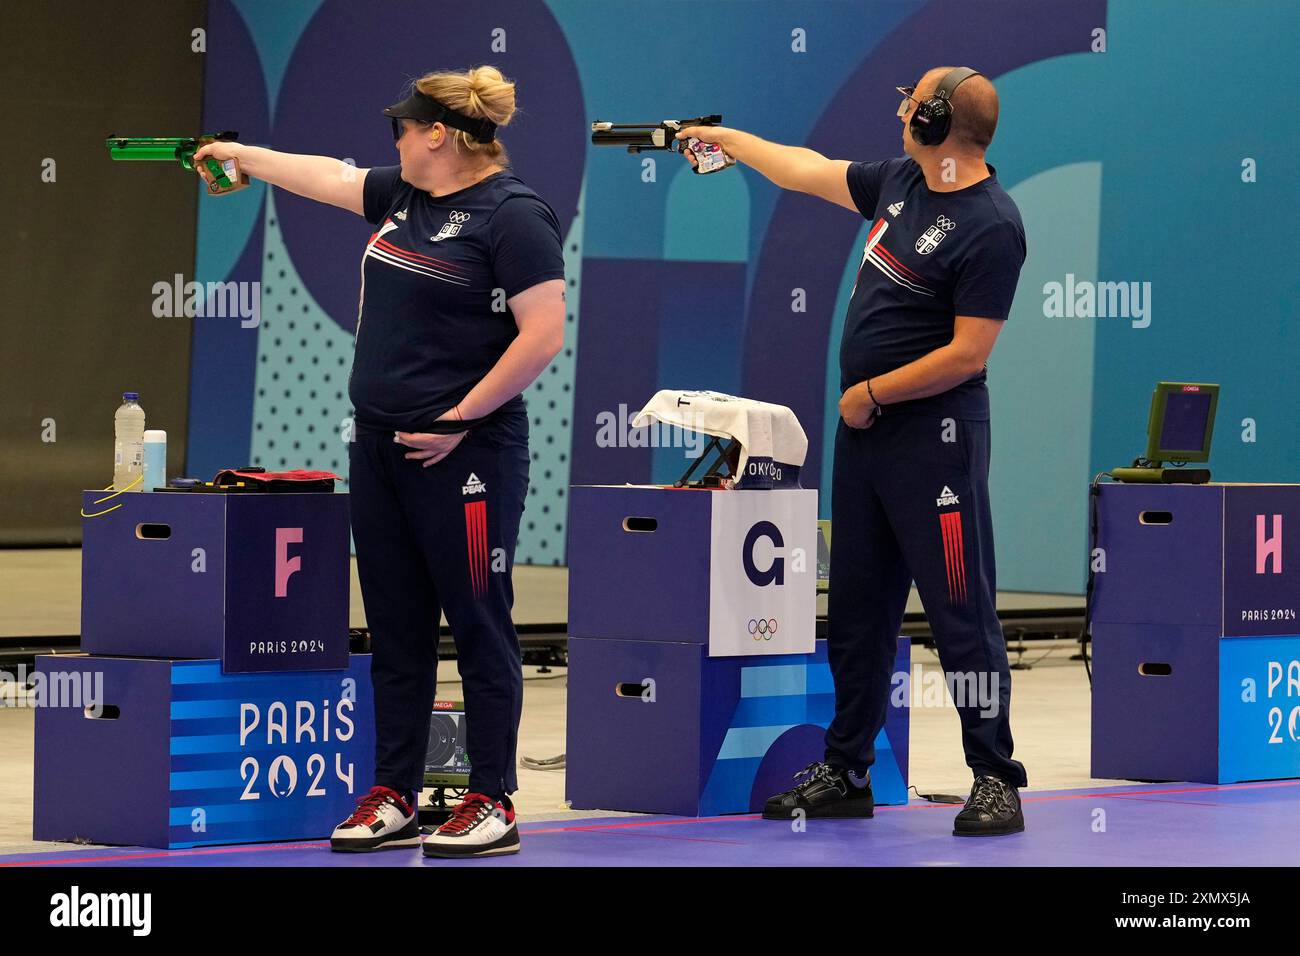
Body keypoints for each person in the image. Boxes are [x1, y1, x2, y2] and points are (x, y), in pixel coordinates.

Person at [195, 65, 566, 858]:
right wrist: (241, 153)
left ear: (438, 134)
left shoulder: (512, 215)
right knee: (396, 631)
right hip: (381, 447)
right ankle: (394, 791)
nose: (393, 136)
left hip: (469, 456)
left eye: (404, 126)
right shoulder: (403, 196)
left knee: (477, 625)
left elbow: (543, 334)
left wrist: (460, 419)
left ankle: (491, 799)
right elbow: (328, 175)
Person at [678, 66, 1029, 836]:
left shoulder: (992, 224)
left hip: (934, 444)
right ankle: (847, 769)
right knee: (860, 613)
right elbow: (806, 170)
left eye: (913, 103)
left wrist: (873, 393)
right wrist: (726, 139)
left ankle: (995, 777)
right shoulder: (902, 182)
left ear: (936, 121)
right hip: (867, 438)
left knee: (961, 613)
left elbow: (969, 354)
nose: (901, 111)